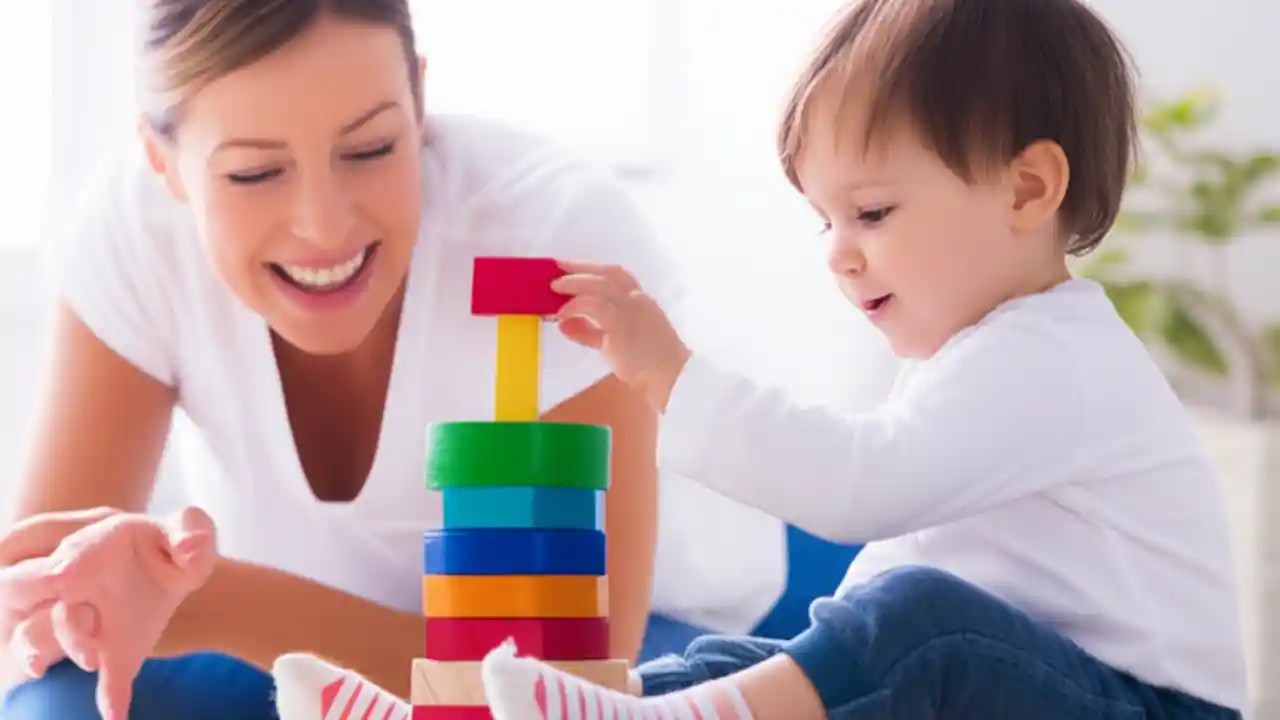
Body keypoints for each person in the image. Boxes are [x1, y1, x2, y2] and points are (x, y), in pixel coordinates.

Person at [263, 0, 1251, 717]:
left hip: (1142, 706)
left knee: (915, 622)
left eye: (870, 211)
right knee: (754, 658)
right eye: (825, 218)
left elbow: (861, 489)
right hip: (1025, 683)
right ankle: (478, 713)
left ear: (1026, 189)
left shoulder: (1051, 361)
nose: (837, 250)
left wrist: (671, 376)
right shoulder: (988, 358)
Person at [0, 0, 680, 717]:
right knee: (63, 696)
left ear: (419, 102)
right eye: (255, 173)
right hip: (305, 656)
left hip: (662, 642)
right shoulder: (134, 232)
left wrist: (201, 596)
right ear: (162, 163)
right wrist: (136, 596)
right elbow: (41, 618)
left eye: (369, 149)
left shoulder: (554, 236)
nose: (324, 225)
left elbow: (559, 687)